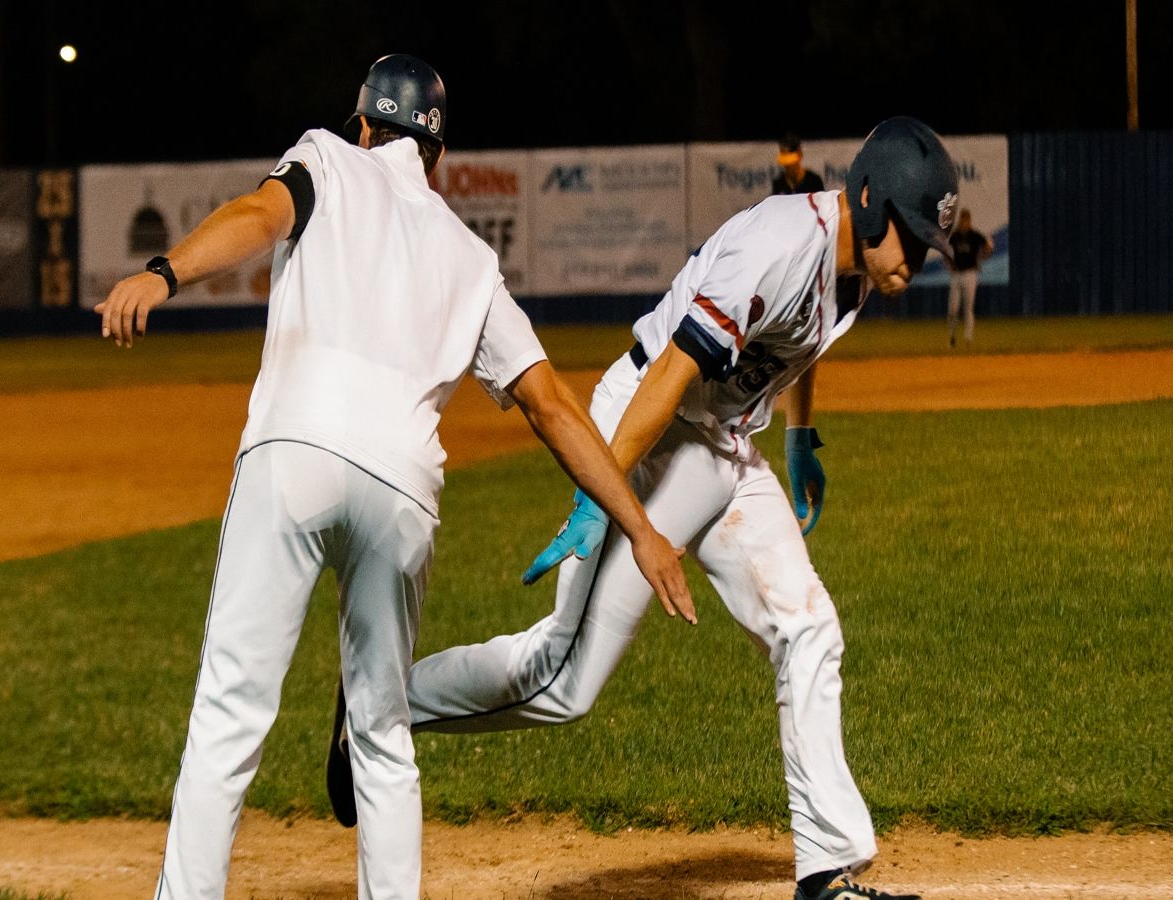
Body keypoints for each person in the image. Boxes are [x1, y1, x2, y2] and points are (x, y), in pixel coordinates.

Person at [96, 53, 690, 900]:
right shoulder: (468, 255)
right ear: (437, 155)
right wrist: (641, 528)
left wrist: (163, 274)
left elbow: (260, 215)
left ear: (365, 126)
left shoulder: (326, 160)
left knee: (231, 713)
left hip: (294, 455)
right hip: (404, 491)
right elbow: (551, 402)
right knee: (381, 734)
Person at [326, 116, 958, 900]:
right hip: (651, 427)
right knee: (562, 679)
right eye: (913, 232)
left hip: (721, 438)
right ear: (868, 199)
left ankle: (825, 872)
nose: (919, 257)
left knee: (808, 627)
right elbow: (668, 376)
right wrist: (604, 502)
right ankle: (375, 703)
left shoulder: (857, 268)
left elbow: (794, 344)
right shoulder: (777, 245)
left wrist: (801, 440)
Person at [946, 208, 994, 347]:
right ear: (960, 220)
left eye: (966, 219)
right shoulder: (955, 236)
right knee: (953, 309)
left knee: (968, 308)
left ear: (969, 221)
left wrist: (982, 258)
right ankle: (952, 337)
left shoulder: (974, 235)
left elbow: (988, 248)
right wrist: (949, 266)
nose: (964, 222)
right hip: (957, 274)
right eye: (962, 219)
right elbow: (946, 252)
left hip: (970, 274)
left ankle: (968, 339)